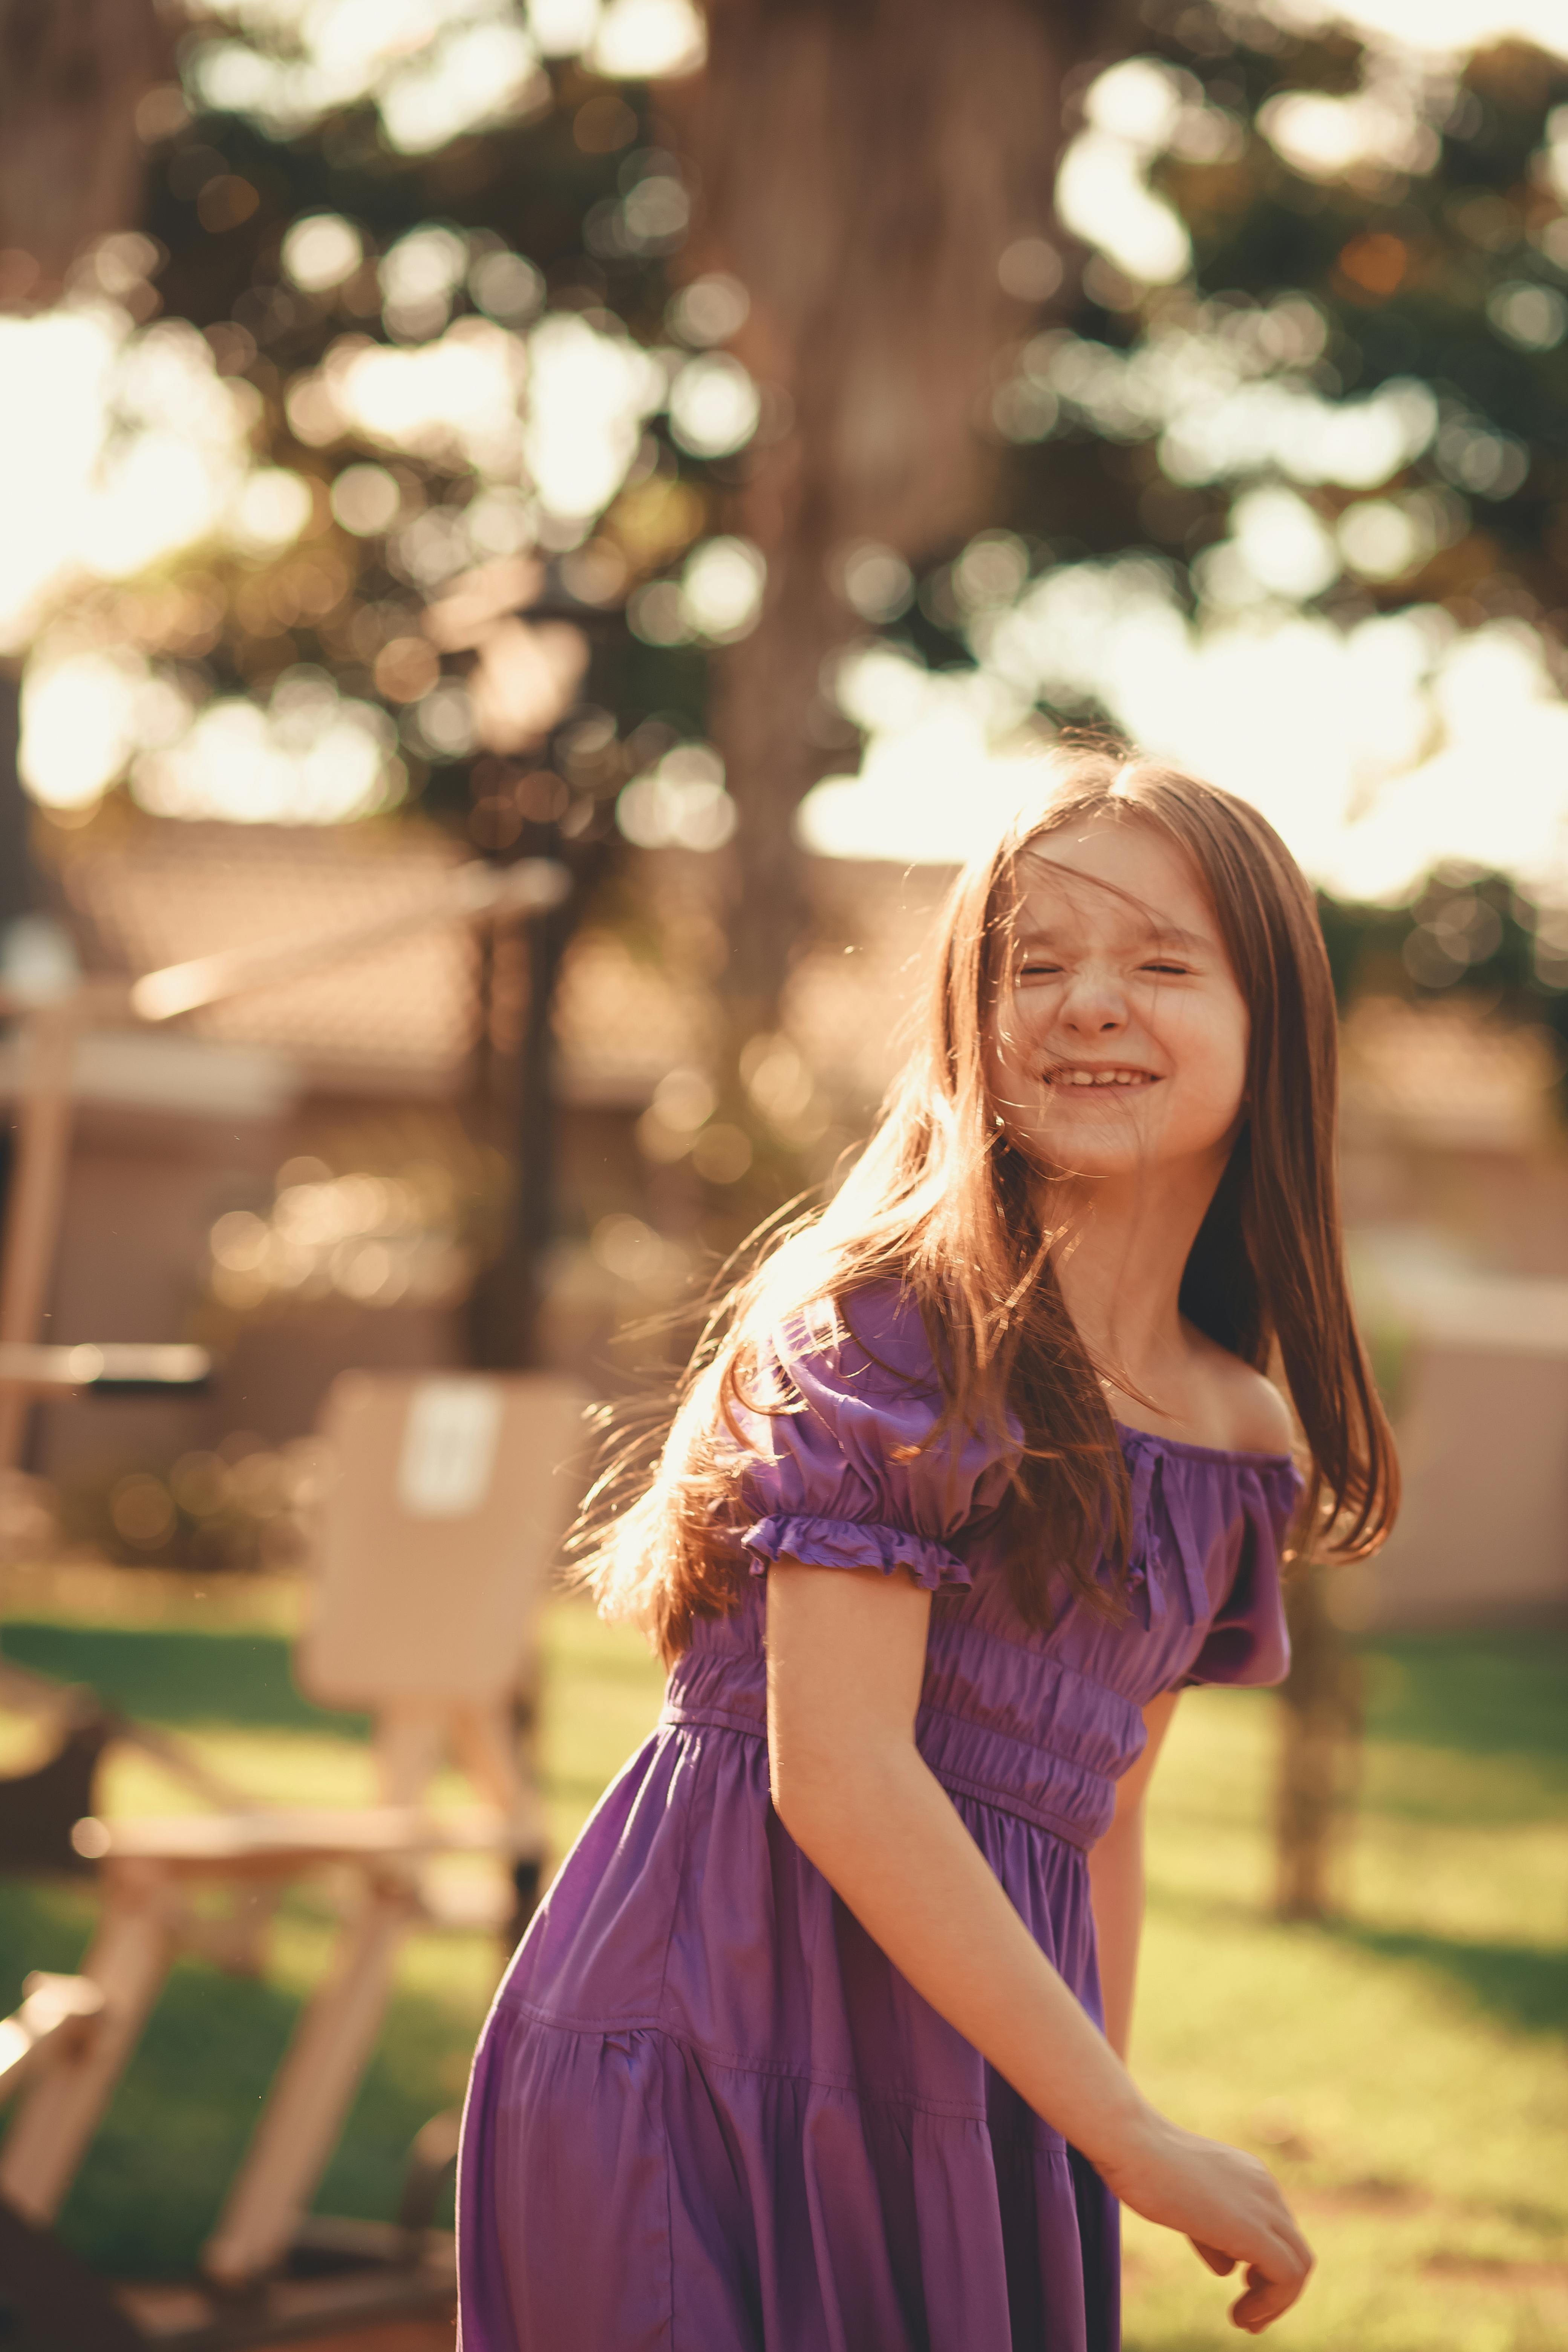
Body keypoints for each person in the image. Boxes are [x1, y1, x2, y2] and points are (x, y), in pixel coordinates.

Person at [457, 747, 1398, 2351]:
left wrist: (1074, 2122)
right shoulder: (895, 1330)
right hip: (697, 2062)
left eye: (1160, 963)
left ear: (1272, 1030)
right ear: (968, 1022)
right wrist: (1132, 2136)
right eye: (1032, 964)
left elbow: (1100, 1820)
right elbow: (834, 1770)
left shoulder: (1234, 1435)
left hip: (969, 2102)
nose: (1086, 1003)